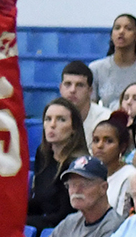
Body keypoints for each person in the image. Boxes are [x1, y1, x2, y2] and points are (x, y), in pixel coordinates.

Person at [28, 98, 90, 229]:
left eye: (61, 119)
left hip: (67, 228)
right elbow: (39, 202)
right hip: (45, 223)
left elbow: (64, 216)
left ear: (74, 128)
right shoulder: (43, 154)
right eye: (48, 119)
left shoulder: (77, 165)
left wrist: (22, 221)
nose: (52, 125)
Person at [90, 12, 136, 107]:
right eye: (117, 28)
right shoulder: (96, 68)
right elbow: (91, 106)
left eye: (128, 28)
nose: (121, 32)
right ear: (111, 35)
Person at [90, 118, 135, 211]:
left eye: (108, 141)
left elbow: (122, 216)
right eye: (96, 140)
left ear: (122, 147)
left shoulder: (129, 176)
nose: (100, 146)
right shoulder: (89, 174)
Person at [59, 60, 112, 130]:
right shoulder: (53, 117)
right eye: (68, 84)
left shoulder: (106, 118)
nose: (73, 90)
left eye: (80, 85)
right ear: (60, 88)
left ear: (90, 91)